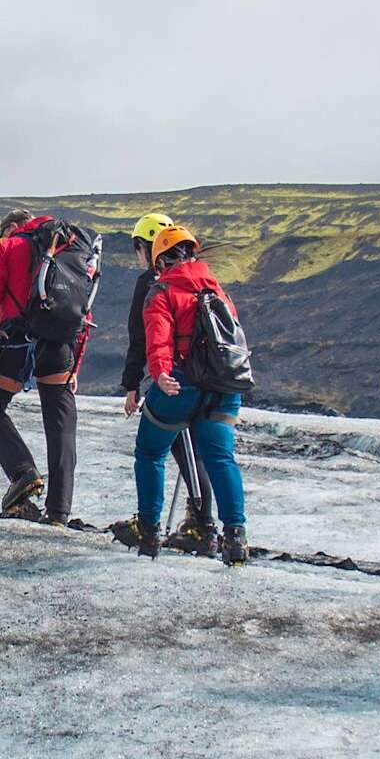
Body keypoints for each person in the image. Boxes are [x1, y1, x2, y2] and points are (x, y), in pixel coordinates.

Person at [130, 224, 248, 564]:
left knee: (150, 452)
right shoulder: (217, 290)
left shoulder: (162, 290)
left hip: (180, 383)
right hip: (223, 387)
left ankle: (149, 530)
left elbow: (158, 337)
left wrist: (160, 373)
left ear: (160, 261)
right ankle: (235, 538)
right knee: (220, 457)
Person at [0, 209, 85, 522]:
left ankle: (23, 472)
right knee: (60, 424)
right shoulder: (68, 248)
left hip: (19, 343)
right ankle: (59, 511)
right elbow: (80, 308)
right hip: (60, 346)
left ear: (10, 227)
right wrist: (77, 361)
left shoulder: (6, 248)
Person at [119, 212, 217, 553]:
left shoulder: (153, 282)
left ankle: (200, 526)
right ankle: (200, 521)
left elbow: (139, 336)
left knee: (177, 448)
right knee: (191, 449)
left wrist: (132, 383)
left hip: (174, 379)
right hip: (204, 376)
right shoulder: (195, 277)